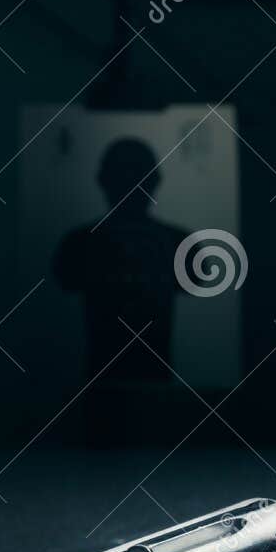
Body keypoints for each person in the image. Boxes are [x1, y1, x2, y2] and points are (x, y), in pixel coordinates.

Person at [53, 138, 188, 382]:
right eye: (123, 174)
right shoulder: (180, 243)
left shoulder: (78, 243)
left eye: (136, 174)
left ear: (101, 180)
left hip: (108, 378)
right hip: (143, 379)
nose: (130, 183)